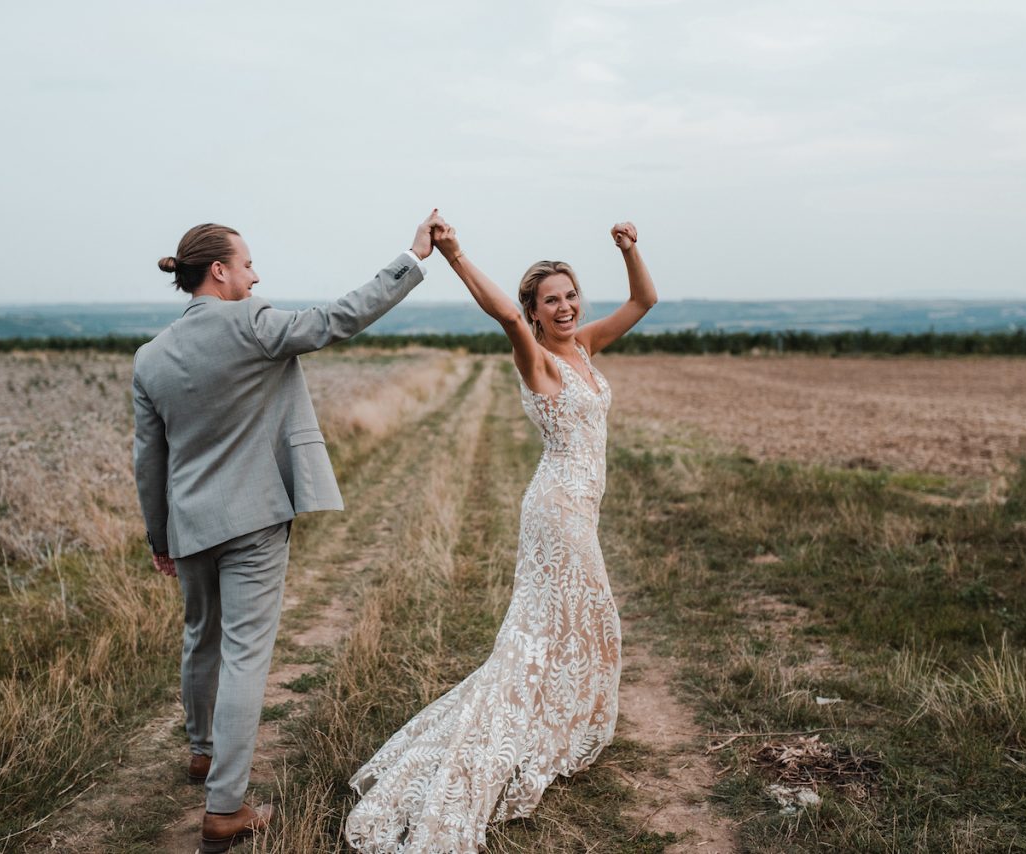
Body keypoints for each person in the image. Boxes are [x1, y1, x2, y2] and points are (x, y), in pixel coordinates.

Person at [133, 211, 443, 853]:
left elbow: (149, 460)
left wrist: (158, 536)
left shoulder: (151, 358)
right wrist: (412, 258)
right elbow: (338, 319)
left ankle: (201, 753)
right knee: (246, 652)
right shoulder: (254, 323)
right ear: (219, 271)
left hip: (189, 523)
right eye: (247, 264)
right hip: (253, 520)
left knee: (201, 637)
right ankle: (225, 809)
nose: (256, 275)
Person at [345, 219, 657, 853]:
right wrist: (456, 254)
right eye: (551, 300)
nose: (566, 306)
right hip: (558, 509)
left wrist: (629, 249)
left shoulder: (585, 347)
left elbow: (644, 302)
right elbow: (500, 315)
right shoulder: (536, 355)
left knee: (568, 624)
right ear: (533, 313)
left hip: (579, 506)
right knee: (565, 625)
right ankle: (520, 732)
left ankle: (552, 723)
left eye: (570, 295)